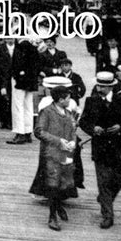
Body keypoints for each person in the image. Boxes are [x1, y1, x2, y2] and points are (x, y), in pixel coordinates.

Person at [78, 71, 121, 229]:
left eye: (104, 86)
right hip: (100, 147)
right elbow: (83, 122)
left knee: (119, 180)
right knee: (103, 182)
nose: (101, 88)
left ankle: (104, 199)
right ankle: (108, 215)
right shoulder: (91, 101)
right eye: (99, 85)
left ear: (111, 87)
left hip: (118, 147)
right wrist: (93, 128)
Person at [29, 85, 79, 231]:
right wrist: (58, 141)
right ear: (61, 99)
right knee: (52, 183)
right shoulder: (47, 112)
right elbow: (39, 131)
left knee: (63, 182)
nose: (70, 100)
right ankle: (52, 217)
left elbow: (72, 130)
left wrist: (72, 142)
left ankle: (57, 206)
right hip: (50, 154)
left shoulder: (68, 113)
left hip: (65, 153)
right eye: (68, 98)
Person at [7, 37, 40, 145]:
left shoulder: (20, 47)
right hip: (31, 83)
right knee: (28, 107)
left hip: (20, 82)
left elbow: (17, 65)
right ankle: (28, 132)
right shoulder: (33, 48)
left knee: (18, 107)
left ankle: (20, 133)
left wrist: (16, 76)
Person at [0, 36, 14, 130]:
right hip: (2, 76)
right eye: (8, 38)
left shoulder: (18, 48)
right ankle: (3, 120)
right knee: (2, 99)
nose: (10, 40)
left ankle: (10, 120)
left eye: (12, 38)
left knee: (13, 99)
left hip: (14, 77)